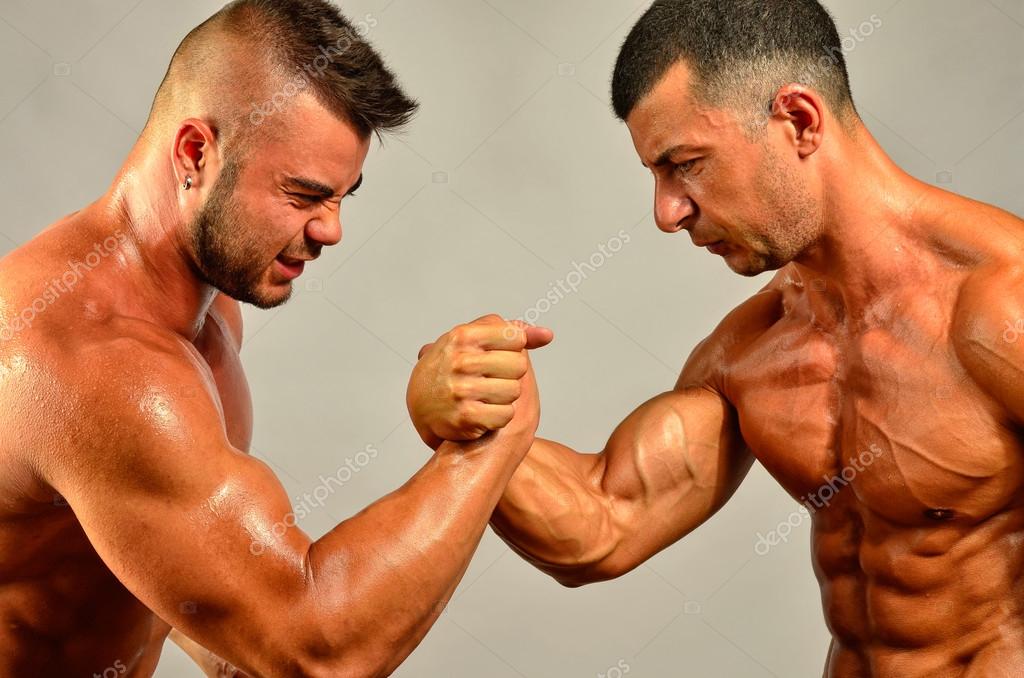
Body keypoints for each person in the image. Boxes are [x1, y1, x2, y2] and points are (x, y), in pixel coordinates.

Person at [406, 0, 1024, 674]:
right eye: (658, 175)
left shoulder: (1001, 308)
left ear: (798, 120)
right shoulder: (754, 347)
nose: (667, 213)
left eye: (686, 164)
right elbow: (603, 524)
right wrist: (465, 416)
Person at [0, 1, 550, 676]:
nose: (331, 231)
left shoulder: (202, 311)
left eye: (343, 197)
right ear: (196, 152)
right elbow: (316, 650)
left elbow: (151, 545)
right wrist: (492, 442)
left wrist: (239, 642)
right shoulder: (97, 362)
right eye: (303, 195)